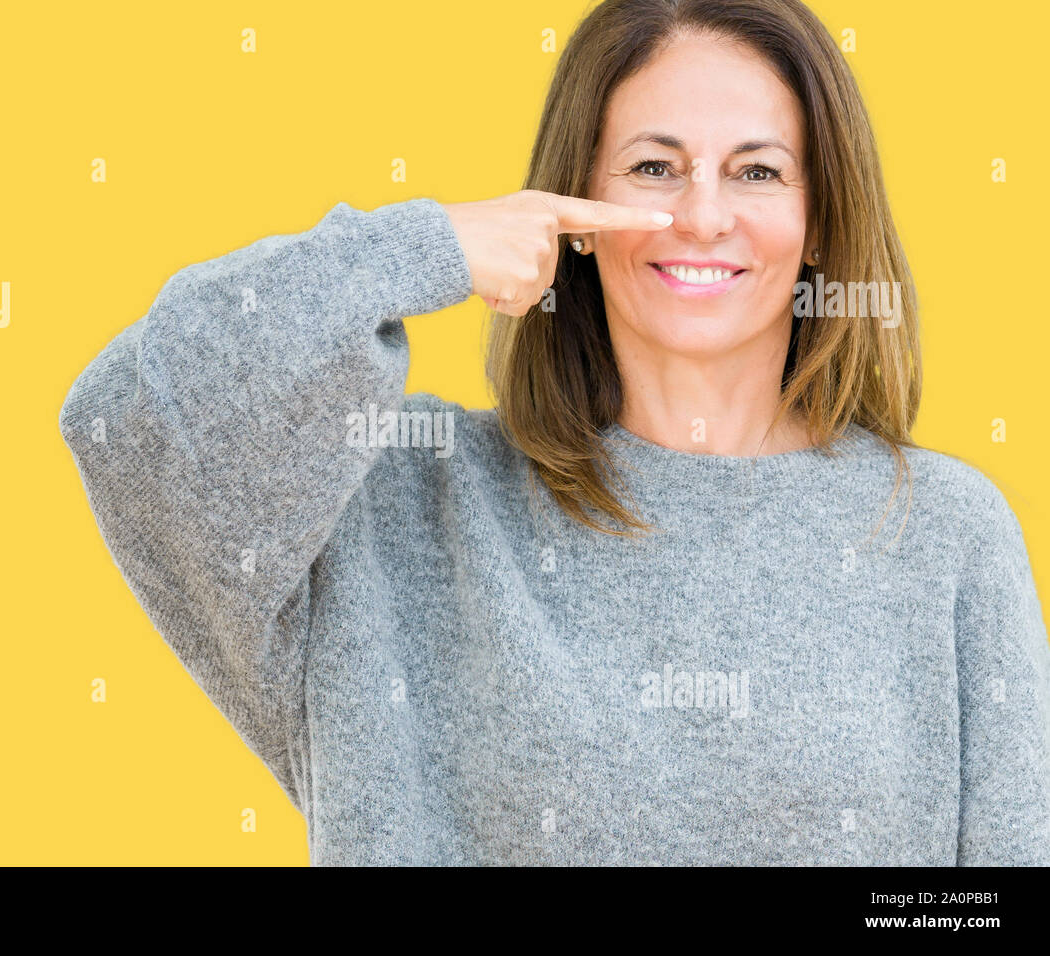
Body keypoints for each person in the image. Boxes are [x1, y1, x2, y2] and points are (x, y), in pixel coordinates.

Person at [59, 0, 1050, 865]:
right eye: (653, 166)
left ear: (819, 218)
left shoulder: (944, 535)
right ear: (573, 210)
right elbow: (129, 416)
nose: (701, 215)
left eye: (756, 173)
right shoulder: (395, 506)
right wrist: (422, 246)